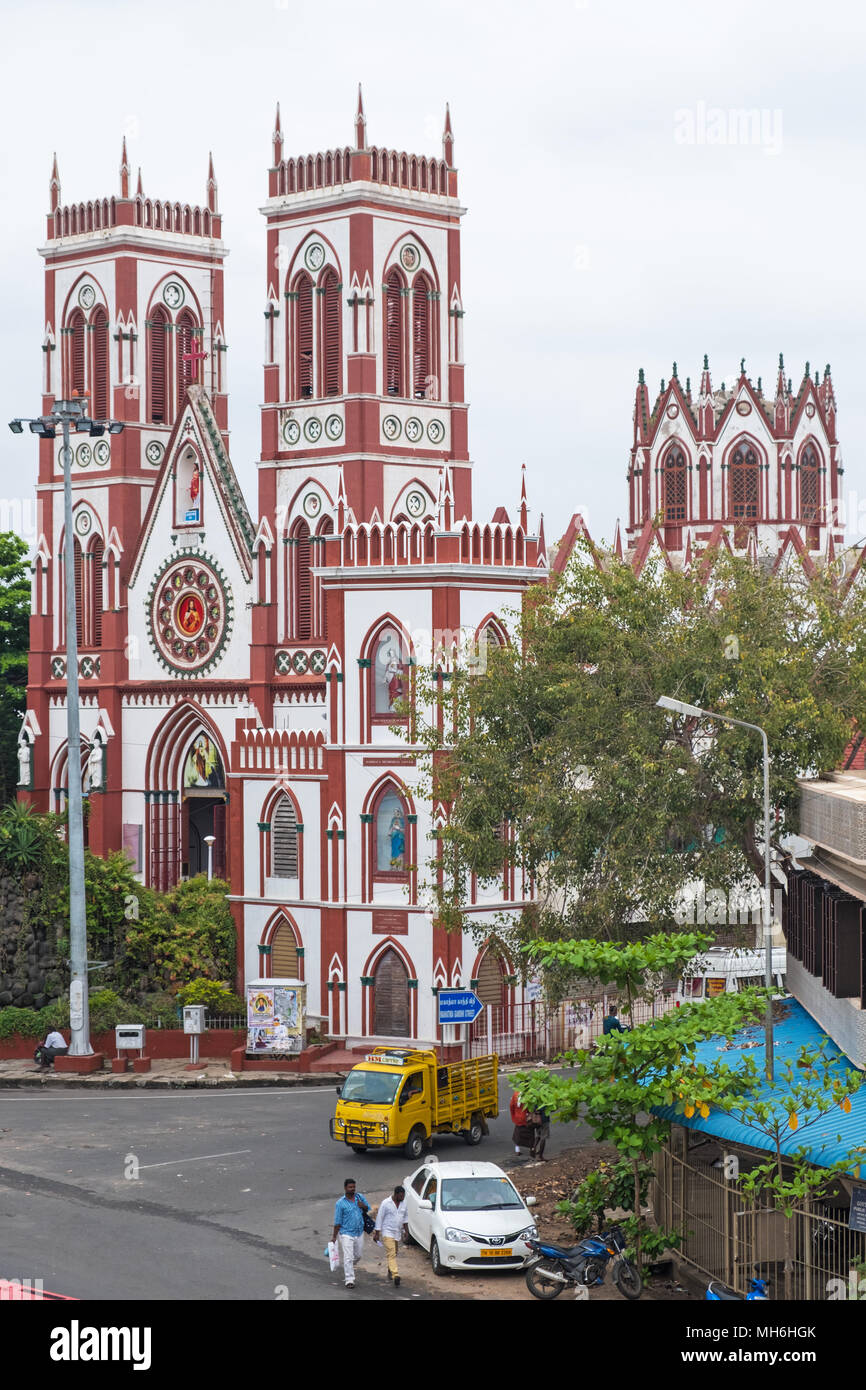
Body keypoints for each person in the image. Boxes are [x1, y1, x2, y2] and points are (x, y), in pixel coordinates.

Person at [331, 1178, 372, 1289]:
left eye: (354, 1187)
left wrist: (362, 1206)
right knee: (348, 1257)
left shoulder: (359, 1197)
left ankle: (347, 1266)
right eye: (350, 1187)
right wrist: (334, 1236)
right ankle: (349, 1279)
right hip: (346, 1233)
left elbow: (368, 1208)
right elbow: (337, 1221)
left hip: (359, 1232)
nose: (352, 1189)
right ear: (345, 1188)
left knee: (358, 1256)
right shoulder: (340, 1203)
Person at [374, 1184, 409, 1287]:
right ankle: (395, 1275)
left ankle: (390, 1270)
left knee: (394, 1252)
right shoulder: (386, 1203)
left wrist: (407, 1231)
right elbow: (380, 1217)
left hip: (397, 1232)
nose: (403, 1198)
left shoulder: (404, 1204)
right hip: (387, 1231)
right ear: (396, 1194)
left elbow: (405, 1218)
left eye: (404, 1196)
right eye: (401, 1196)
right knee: (391, 1252)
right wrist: (377, 1233)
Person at [510, 1089, 533, 1156]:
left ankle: (517, 1150)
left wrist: (513, 1115)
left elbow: (511, 1106)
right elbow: (530, 1108)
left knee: (518, 1134)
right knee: (530, 1133)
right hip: (526, 1118)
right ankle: (531, 1149)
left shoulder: (515, 1094)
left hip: (518, 1117)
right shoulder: (528, 1095)